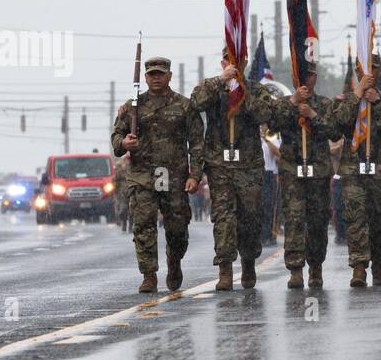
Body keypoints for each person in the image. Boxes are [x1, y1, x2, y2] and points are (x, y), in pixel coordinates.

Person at [110, 56, 204, 293]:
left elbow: (196, 143)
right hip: (143, 175)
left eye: (160, 73)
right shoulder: (132, 107)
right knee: (143, 225)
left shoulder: (184, 106)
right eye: (152, 74)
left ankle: (174, 261)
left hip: (175, 177)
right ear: (145, 78)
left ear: (169, 76)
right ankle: (149, 275)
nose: (156, 78)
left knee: (177, 228)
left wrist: (195, 175)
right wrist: (125, 142)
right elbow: (116, 141)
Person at [189, 46, 278, 291]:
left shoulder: (256, 89)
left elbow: (263, 114)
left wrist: (242, 90)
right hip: (219, 164)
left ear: (246, 61)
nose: (234, 63)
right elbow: (196, 102)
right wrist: (222, 81)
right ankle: (225, 269)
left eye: (238, 59)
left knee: (250, 217)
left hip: (248, 165)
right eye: (229, 59)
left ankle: (248, 261)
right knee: (223, 217)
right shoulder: (212, 86)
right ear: (222, 62)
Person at [330, 54, 381, 287]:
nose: (370, 73)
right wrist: (359, 95)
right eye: (364, 70)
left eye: (375, 69)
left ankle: (378, 262)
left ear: (380, 72)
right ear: (358, 72)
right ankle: (359, 267)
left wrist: (377, 103)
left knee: (380, 220)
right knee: (355, 218)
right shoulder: (346, 100)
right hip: (353, 170)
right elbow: (338, 123)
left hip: (379, 171)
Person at [273, 69, 340, 289]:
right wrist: (293, 102)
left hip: (318, 171)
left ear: (315, 77)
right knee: (293, 219)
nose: (304, 78)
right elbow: (273, 124)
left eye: (309, 74)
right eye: (300, 74)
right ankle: (295, 269)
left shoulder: (325, 103)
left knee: (318, 221)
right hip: (292, 170)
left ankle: (316, 267)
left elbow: (334, 132)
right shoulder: (284, 103)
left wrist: (312, 115)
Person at [260, 127, 280, 246]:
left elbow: (278, 153)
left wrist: (267, 140)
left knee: (269, 205)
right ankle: (259, 235)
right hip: (255, 173)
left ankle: (269, 235)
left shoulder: (271, 135)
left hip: (269, 172)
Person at [112, 155, 131, 232]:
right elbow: (115, 181)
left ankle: (131, 225)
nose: (128, 162)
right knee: (123, 210)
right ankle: (124, 222)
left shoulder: (134, 170)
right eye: (126, 160)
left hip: (132, 193)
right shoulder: (120, 170)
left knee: (132, 211)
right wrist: (115, 190)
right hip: (122, 194)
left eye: (129, 160)